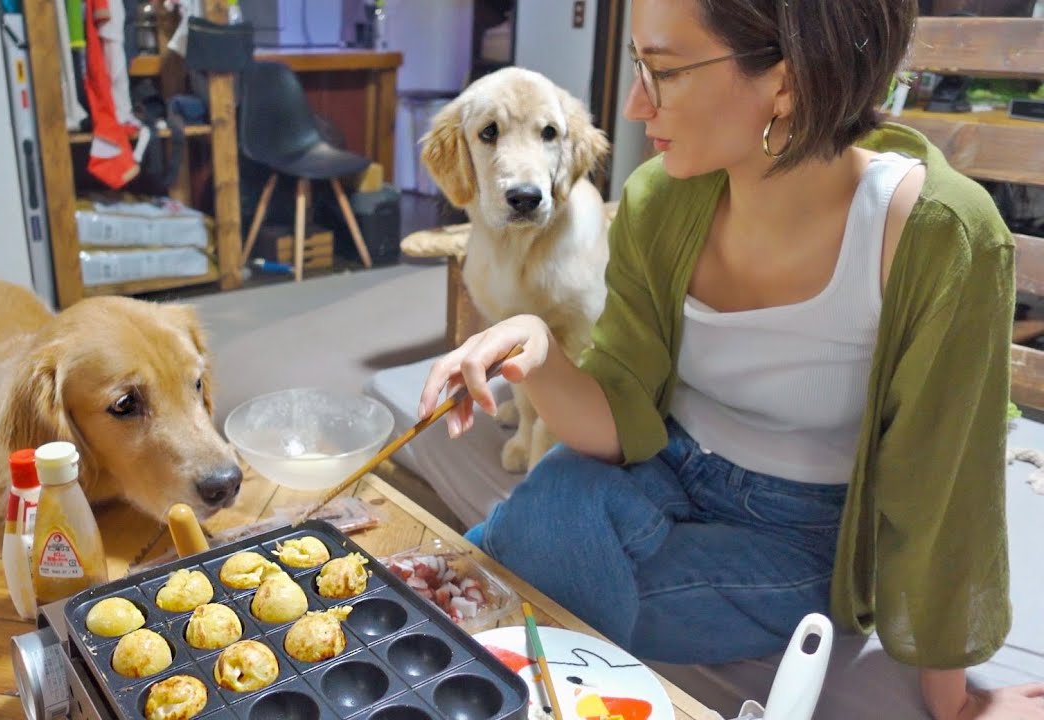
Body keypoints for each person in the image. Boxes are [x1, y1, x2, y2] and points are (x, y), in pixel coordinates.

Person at [418, 1, 1044, 717]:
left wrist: (960, 704)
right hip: (670, 466)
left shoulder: (938, 236)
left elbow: (943, 485)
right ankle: (436, 593)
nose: (631, 104)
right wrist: (539, 349)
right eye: (637, 68)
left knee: (534, 567)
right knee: (551, 499)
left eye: (664, 72)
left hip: (805, 534)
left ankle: (443, 600)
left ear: (787, 82)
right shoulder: (658, 198)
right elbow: (622, 418)